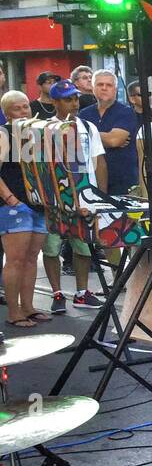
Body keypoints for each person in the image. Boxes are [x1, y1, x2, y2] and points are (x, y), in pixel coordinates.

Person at [41, 80, 106, 313]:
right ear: (55, 102)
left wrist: (100, 197)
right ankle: (57, 293)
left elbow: (99, 162)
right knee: (51, 248)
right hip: (56, 199)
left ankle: (81, 292)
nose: (75, 103)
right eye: (69, 99)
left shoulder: (88, 127)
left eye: (76, 98)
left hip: (85, 197)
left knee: (84, 247)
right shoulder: (44, 128)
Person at [0, 91, 49, 326]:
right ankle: (14, 312)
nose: (23, 111)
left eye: (25, 107)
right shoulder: (3, 134)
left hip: (37, 204)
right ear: (7, 113)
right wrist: (10, 199)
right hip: (14, 206)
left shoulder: (35, 134)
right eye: (17, 108)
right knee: (15, 259)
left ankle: (28, 306)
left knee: (31, 258)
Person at [79, 69, 139, 196]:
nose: (104, 88)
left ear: (115, 90)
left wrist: (86, 136)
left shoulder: (125, 112)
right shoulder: (84, 114)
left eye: (109, 85)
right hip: (92, 182)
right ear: (93, 88)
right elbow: (77, 140)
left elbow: (114, 141)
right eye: (100, 85)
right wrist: (105, 137)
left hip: (123, 183)